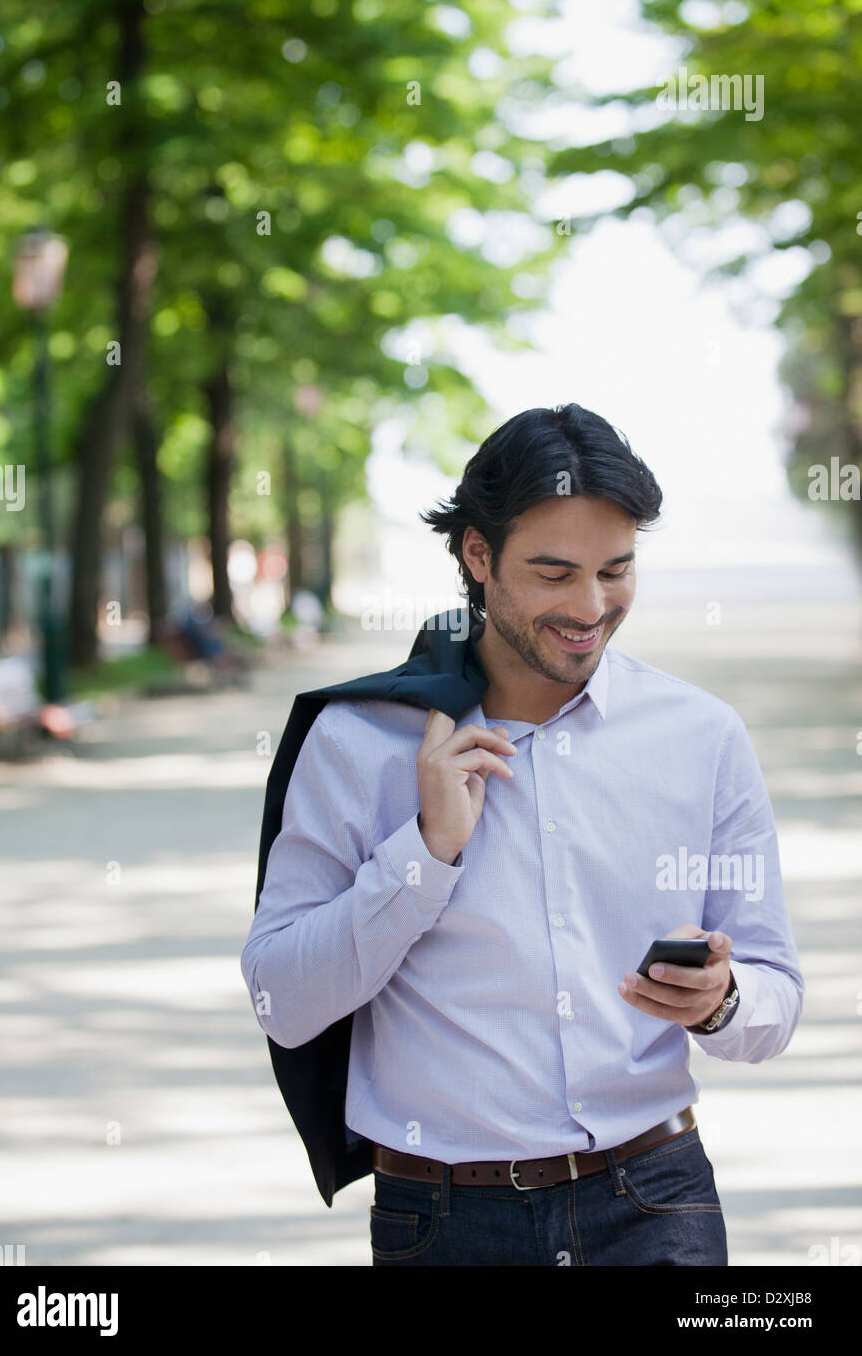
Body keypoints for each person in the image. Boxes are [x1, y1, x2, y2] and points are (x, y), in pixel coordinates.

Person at [241, 403, 803, 1266]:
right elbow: (284, 1001)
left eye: (615, 570)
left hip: (657, 1202)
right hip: (442, 1224)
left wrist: (724, 1000)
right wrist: (424, 853)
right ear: (477, 555)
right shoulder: (358, 741)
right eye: (552, 573)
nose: (589, 606)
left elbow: (775, 999)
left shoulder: (702, 737)